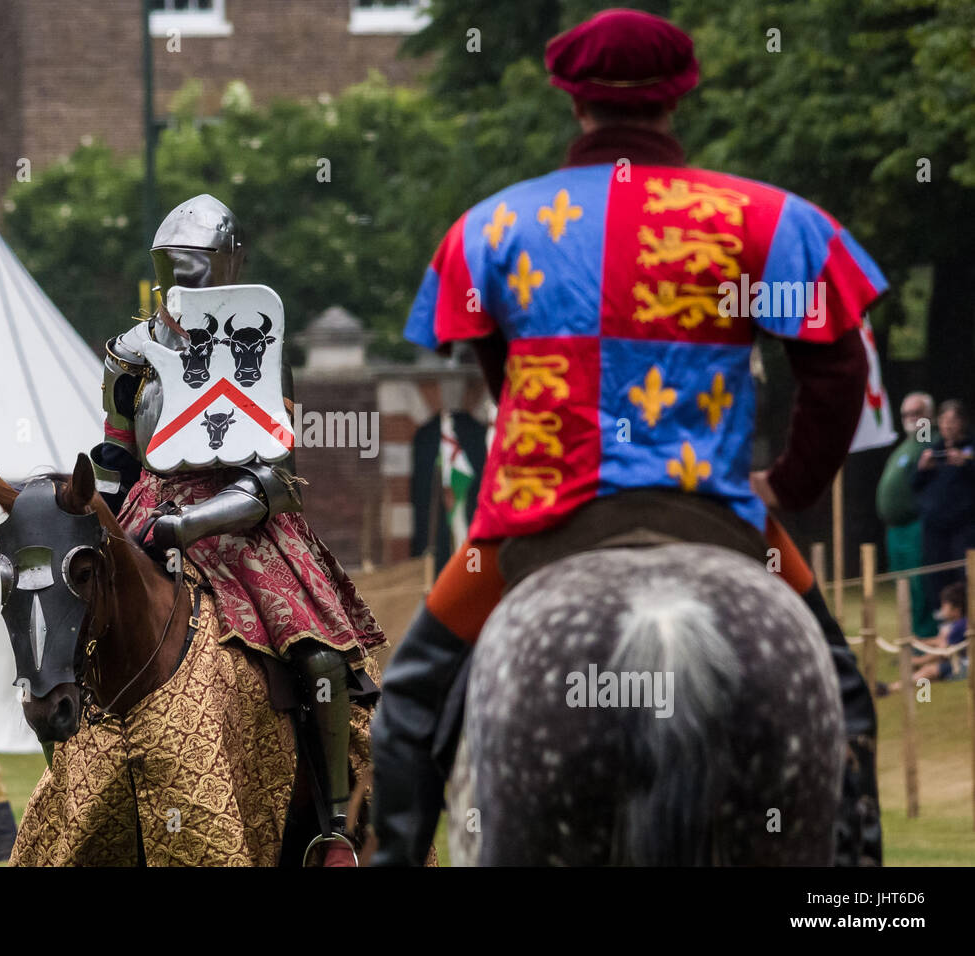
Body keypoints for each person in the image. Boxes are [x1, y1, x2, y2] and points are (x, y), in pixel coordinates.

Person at [370, 8, 886, 866]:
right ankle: (860, 890)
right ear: (678, 96)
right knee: (844, 699)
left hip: (534, 524)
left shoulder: (490, 229)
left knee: (408, 708)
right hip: (718, 518)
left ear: (572, 99)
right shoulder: (770, 222)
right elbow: (834, 377)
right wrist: (789, 486)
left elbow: (497, 371)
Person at [91, 195, 386, 861]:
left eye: (199, 266)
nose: (186, 280)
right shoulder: (130, 353)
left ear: (231, 263)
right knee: (81, 647)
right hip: (145, 516)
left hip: (243, 527)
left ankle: (333, 824)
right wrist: (103, 530)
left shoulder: (256, 342)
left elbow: (277, 478)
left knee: (318, 657)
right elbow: (113, 458)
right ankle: (80, 800)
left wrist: (190, 524)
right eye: (176, 266)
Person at [877, 392, 939, 638]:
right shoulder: (907, 444)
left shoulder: (930, 443)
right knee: (902, 587)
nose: (911, 418)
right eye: (906, 414)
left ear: (929, 416)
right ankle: (909, 639)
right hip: (896, 529)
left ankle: (925, 639)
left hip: (916, 526)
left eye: (917, 413)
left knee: (919, 584)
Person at [913, 399, 975, 608]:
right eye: (944, 420)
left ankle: (967, 622)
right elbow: (914, 484)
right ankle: (943, 624)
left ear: (963, 422)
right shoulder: (932, 446)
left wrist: (966, 464)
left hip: (963, 528)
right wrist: (922, 468)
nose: (948, 425)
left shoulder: (970, 446)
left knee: (964, 575)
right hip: (934, 529)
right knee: (935, 577)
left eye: (953, 420)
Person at [890, 581, 970, 693]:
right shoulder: (958, 623)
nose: (941, 609)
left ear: (956, 609)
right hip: (960, 662)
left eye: (944, 605)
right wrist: (918, 642)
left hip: (965, 666)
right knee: (928, 672)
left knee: (928, 670)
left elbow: (941, 651)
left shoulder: (959, 626)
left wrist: (918, 661)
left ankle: (890, 689)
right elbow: (940, 642)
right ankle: (896, 687)